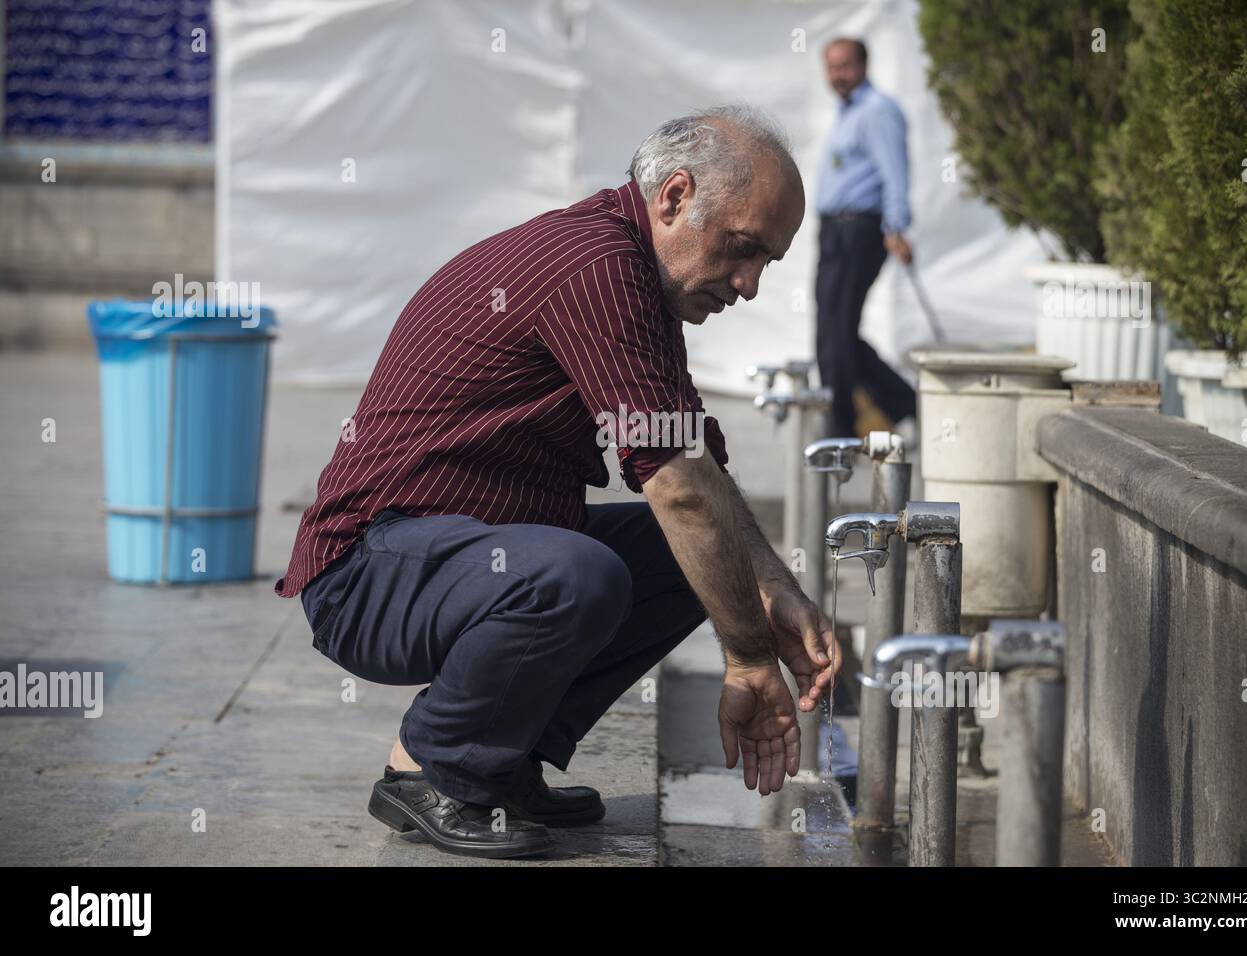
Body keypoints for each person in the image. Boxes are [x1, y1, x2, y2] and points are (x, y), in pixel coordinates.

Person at [275, 106, 843, 860]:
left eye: (767, 263)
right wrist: (746, 657)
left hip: (455, 555)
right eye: (743, 250)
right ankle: (434, 768)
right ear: (673, 199)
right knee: (576, 573)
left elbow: (696, 469)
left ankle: (501, 761)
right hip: (368, 570)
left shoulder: (634, 275)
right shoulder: (595, 268)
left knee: (678, 558)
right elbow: (672, 487)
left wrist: (777, 592)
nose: (748, 285)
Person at [815, 37, 918, 438]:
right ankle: (901, 402)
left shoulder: (877, 111)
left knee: (835, 331)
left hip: (859, 230)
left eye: (845, 66)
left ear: (863, 65)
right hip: (835, 231)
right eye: (831, 67)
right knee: (833, 331)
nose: (837, 75)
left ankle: (840, 427)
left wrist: (896, 227)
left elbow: (895, 173)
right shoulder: (847, 113)